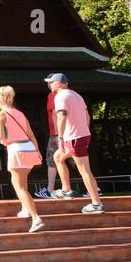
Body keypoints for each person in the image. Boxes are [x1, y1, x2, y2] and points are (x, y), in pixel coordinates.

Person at [46, 72, 104, 214]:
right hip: (81, 135)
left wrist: (60, 138)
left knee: (85, 170)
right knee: (58, 157)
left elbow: (61, 116)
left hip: (73, 137)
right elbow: (87, 117)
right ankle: (66, 190)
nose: (49, 85)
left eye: (51, 82)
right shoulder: (76, 95)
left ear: (59, 84)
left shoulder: (60, 96)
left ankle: (96, 204)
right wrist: (84, 132)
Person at [0, 85, 45, 233]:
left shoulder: (0, 115)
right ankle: (25, 209)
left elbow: (2, 138)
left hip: (16, 150)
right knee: (23, 182)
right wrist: (37, 151)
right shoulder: (20, 114)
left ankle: (36, 218)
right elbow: (31, 134)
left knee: (19, 186)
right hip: (30, 148)